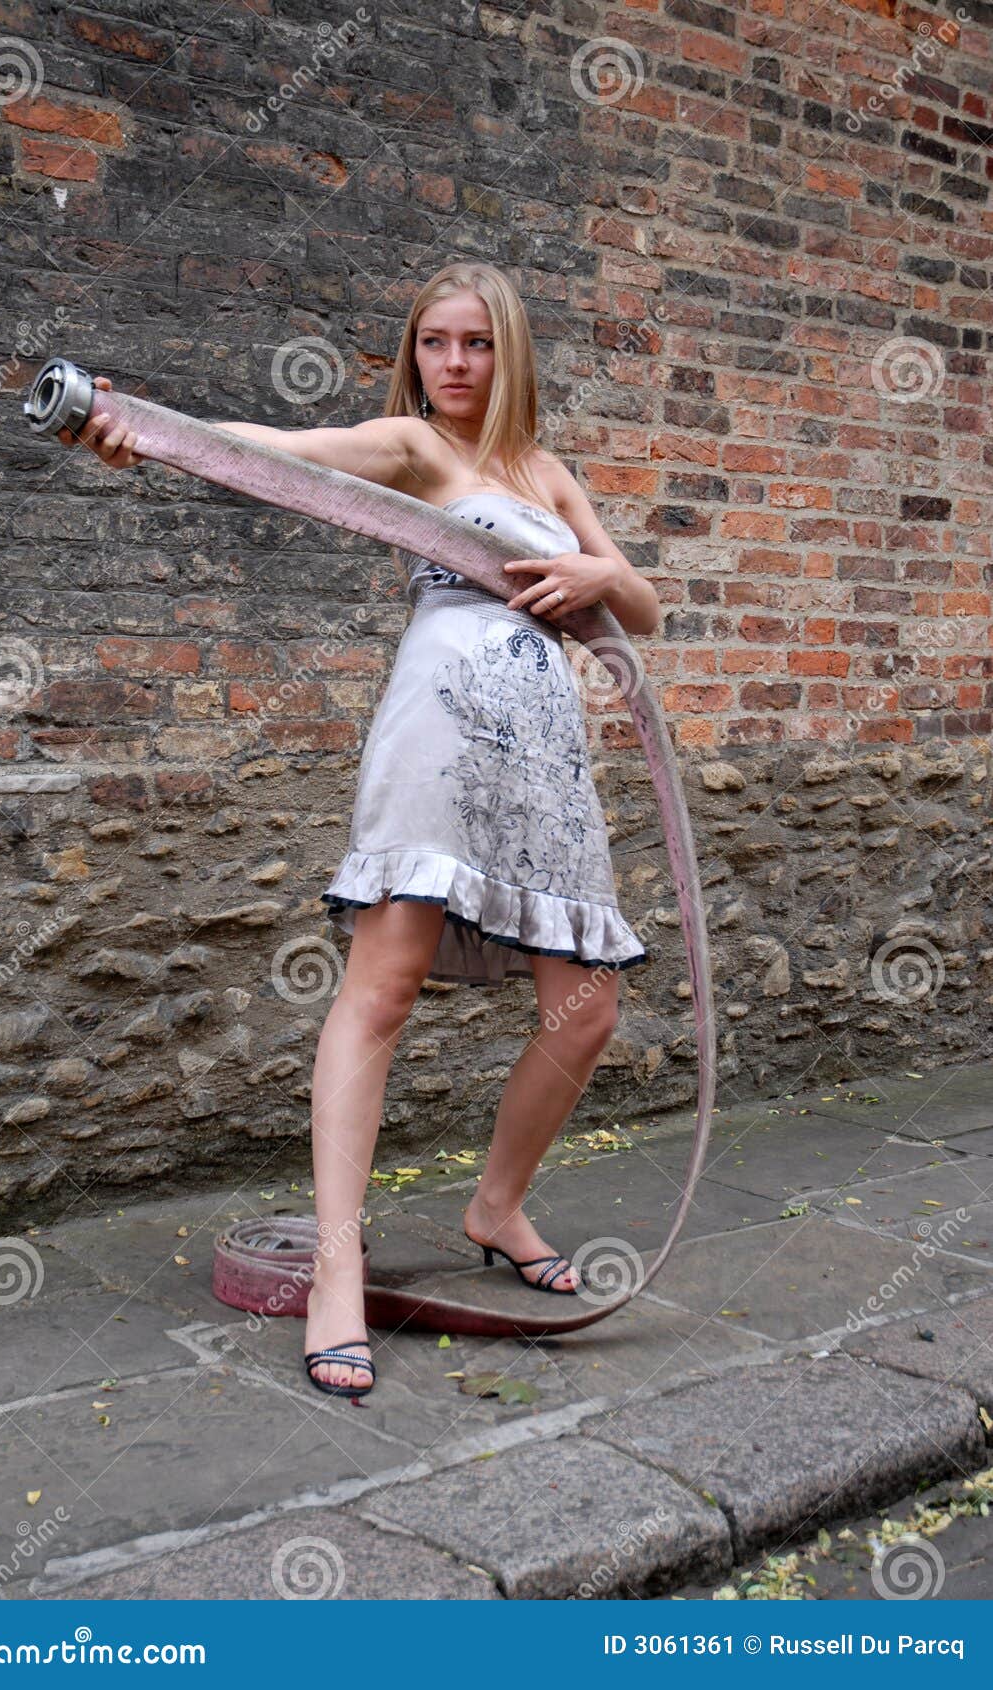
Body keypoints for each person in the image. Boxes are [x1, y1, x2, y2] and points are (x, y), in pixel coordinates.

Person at [56, 260, 662, 1402]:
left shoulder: (546, 472)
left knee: (588, 1008)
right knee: (381, 986)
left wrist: (601, 566)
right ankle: (336, 1271)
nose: (452, 363)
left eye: (475, 343)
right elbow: (278, 449)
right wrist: (136, 427)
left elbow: (643, 610)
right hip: (441, 727)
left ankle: (496, 1202)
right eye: (434, 342)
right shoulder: (413, 446)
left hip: (547, 758)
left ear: (511, 350)